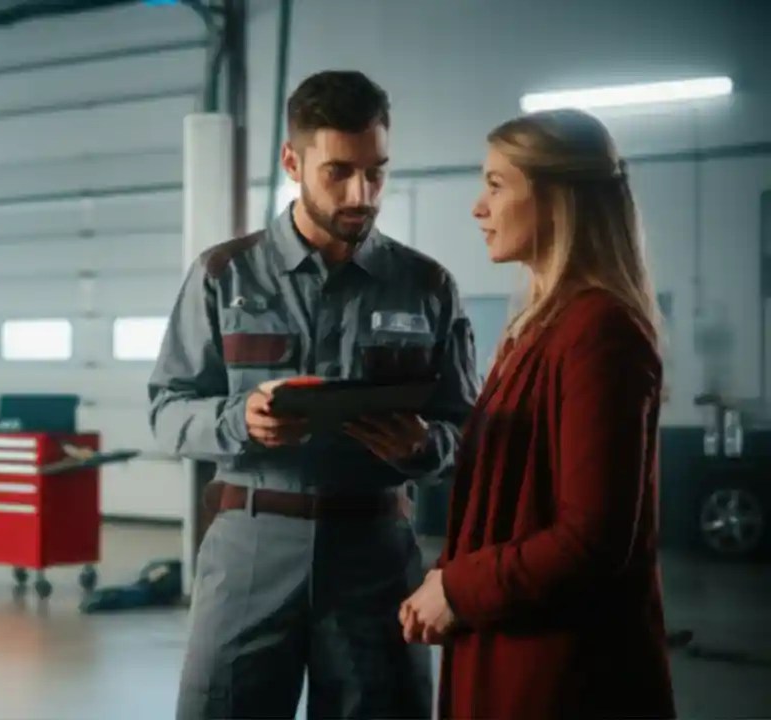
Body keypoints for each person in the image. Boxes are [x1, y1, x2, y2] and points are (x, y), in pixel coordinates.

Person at [149, 70, 479, 720]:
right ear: (293, 162)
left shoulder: (426, 286)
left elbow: (467, 431)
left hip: (375, 553)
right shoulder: (224, 276)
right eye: (339, 172)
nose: (362, 194)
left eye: (376, 172)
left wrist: (423, 445)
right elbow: (167, 411)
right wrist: (238, 418)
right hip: (250, 547)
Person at [398, 108, 677, 719]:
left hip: (563, 678)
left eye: (496, 186)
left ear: (557, 199)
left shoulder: (599, 331)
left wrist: (459, 587)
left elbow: (591, 540)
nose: (478, 207)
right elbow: (511, 505)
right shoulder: (537, 328)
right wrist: (446, 580)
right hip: (512, 651)